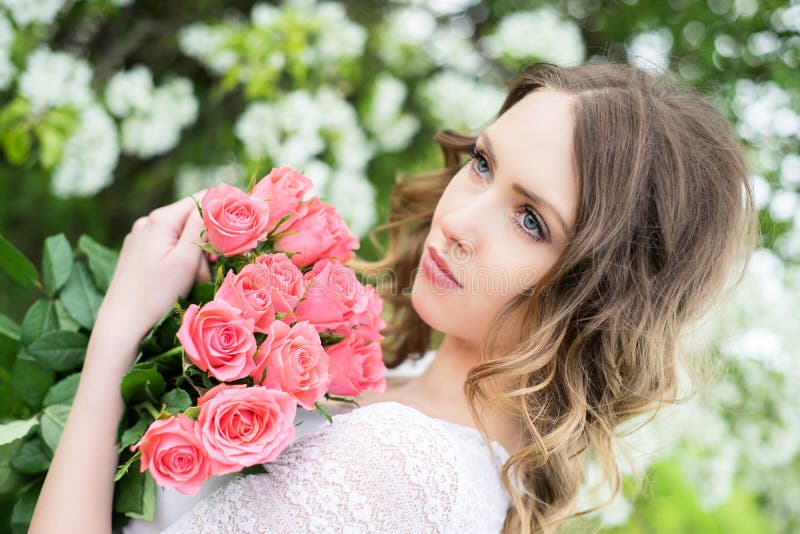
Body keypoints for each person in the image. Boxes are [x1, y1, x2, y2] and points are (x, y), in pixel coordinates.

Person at [29, 61, 759, 534]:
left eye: (531, 219)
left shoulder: (401, 463)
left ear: (600, 297)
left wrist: (113, 348)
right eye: (481, 164)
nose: (459, 219)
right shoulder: (393, 392)